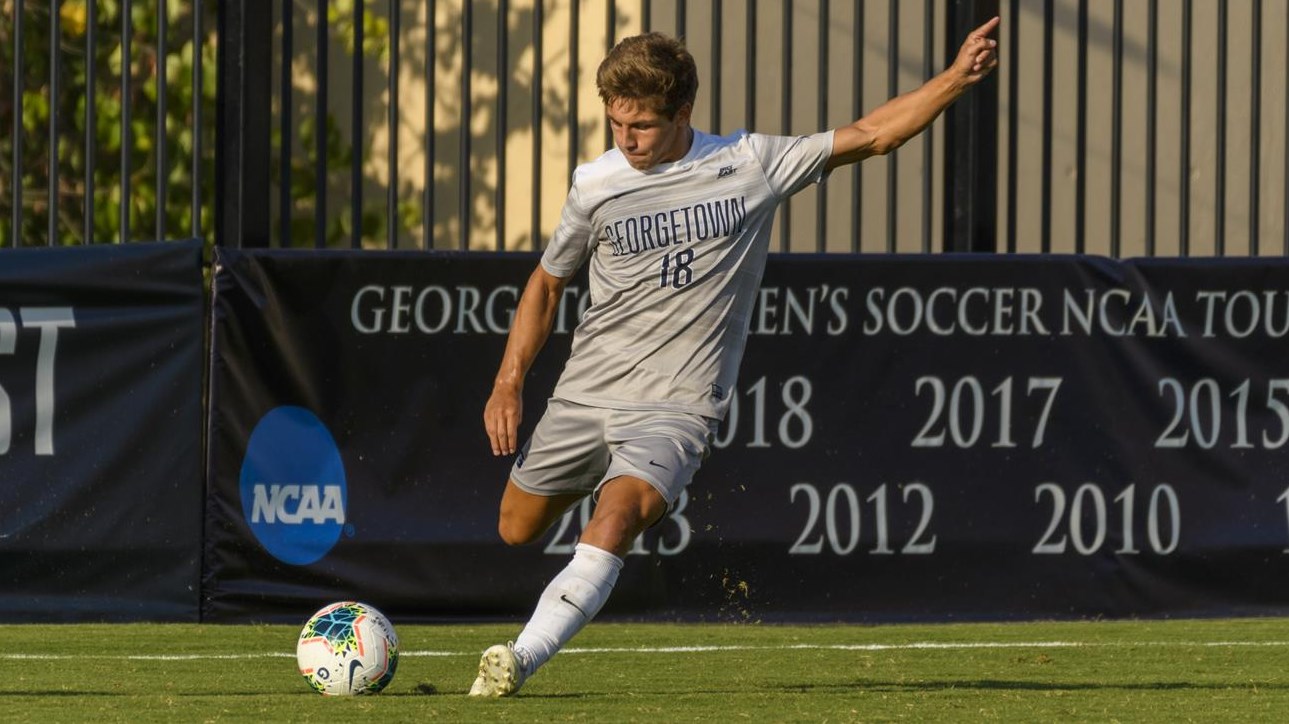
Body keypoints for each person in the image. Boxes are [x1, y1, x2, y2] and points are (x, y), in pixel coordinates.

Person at [470, 17, 1000, 697]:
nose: (626, 140)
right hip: (584, 394)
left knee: (618, 514)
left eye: (642, 127)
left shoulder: (748, 163)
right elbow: (547, 282)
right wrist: (508, 382)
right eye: (615, 124)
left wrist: (955, 78)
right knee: (515, 529)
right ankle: (593, 522)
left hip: (675, 405)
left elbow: (872, 134)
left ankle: (519, 658)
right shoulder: (595, 184)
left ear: (683, 112)